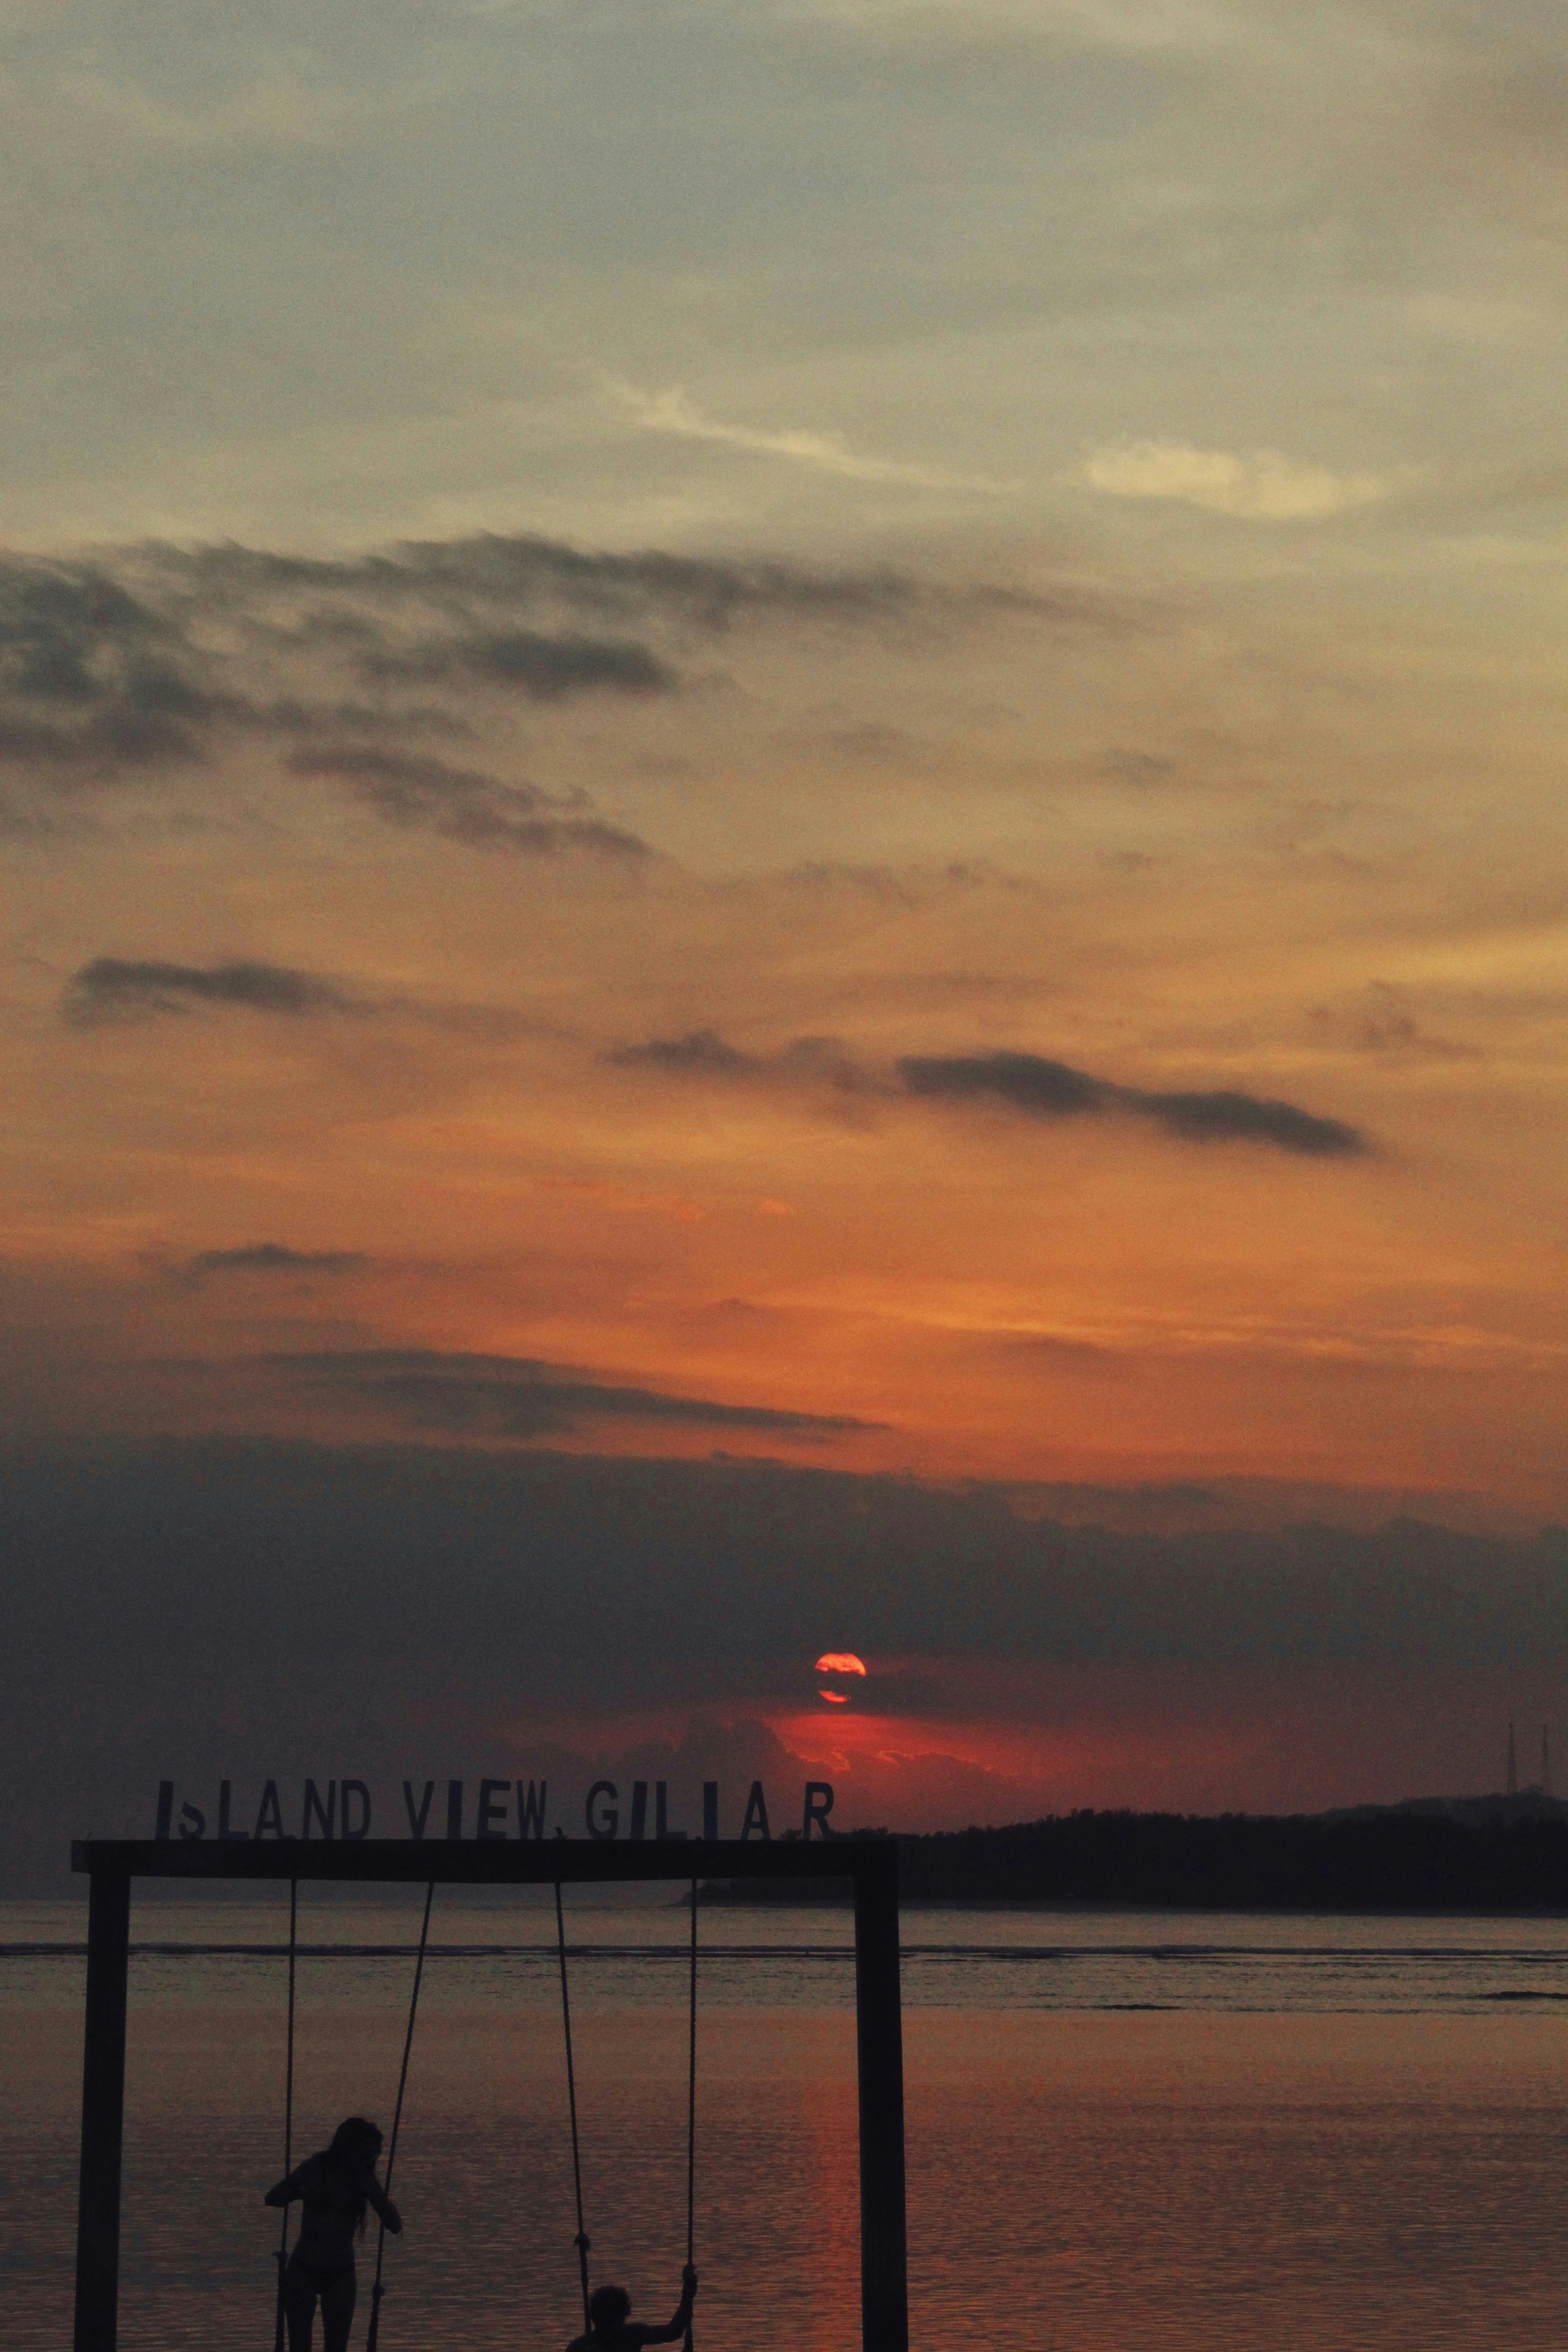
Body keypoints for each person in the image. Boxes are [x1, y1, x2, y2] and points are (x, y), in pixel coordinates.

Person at [265, 2115, 402, 2352]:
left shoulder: (364, 2180)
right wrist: (303, 2192)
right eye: (367, 2151)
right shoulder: (317, 2168)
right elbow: (273, 2197)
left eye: (373, 2154)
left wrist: (373, 2193)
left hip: (341, 2274)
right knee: (299, 2347)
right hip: (303, 2269)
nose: (370, 2158)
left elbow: (394, 2224)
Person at [568, 2264, 699, 2352]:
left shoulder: (632, 2335)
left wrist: (687, 2295)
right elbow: (673, 2332)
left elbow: (673, 2332)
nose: (613, 2327)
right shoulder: (580, 2347)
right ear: (596, 2319)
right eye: (608, 2321)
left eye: (616, 2321)